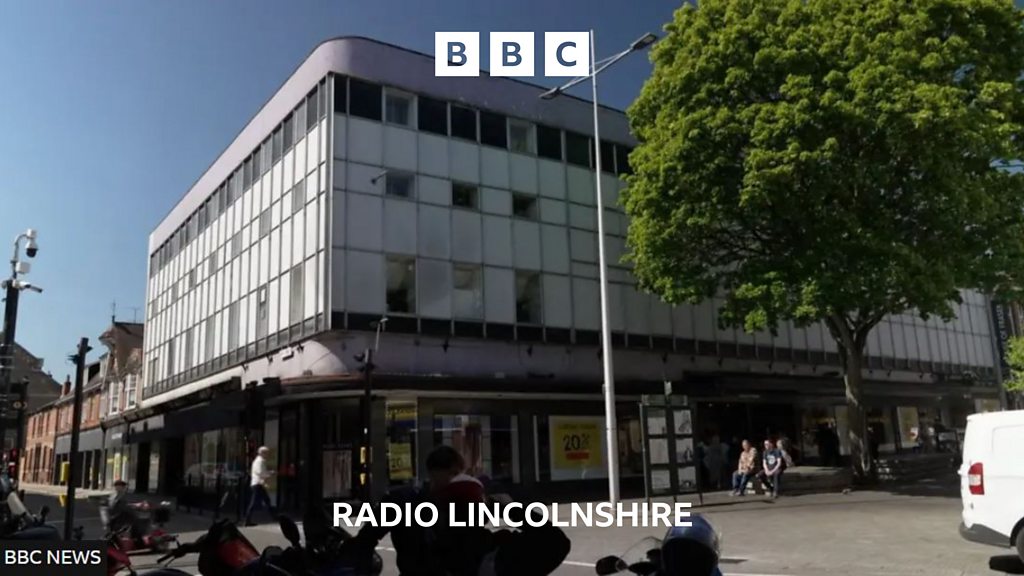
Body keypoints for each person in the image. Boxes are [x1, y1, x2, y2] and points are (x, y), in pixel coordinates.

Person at [349, 445, 569, 576]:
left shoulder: (402, 502)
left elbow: (364, 542)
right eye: (455, 474)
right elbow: (555, 542)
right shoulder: (404, 503)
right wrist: (511, 510)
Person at [244, 446, 274, 526]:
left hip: (258, 483)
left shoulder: (259, 461)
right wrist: (269, 473)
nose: (267, 454)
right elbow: (260, 473)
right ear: (262, 453)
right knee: (254, 503)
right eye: (266, 453)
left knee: (266, 500)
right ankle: (247, 520)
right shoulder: (259, 461)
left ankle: (274, 517)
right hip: (257, 484)